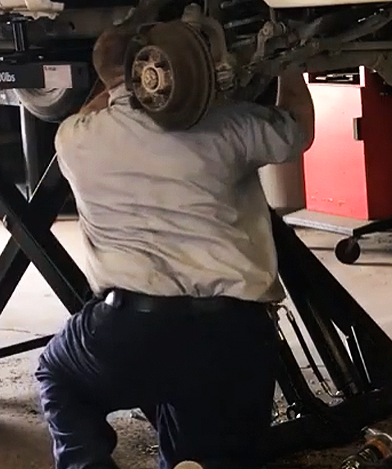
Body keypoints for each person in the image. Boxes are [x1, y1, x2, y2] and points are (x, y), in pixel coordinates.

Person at [36, 27, 316, 469]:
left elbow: (95, 109)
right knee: (214, 453)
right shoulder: (229, 125)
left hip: (127, 334)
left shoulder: (75, 139)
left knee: (59, 375)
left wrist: (113, 86)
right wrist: (291, 65)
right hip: (233, 338)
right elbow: (296, 128)